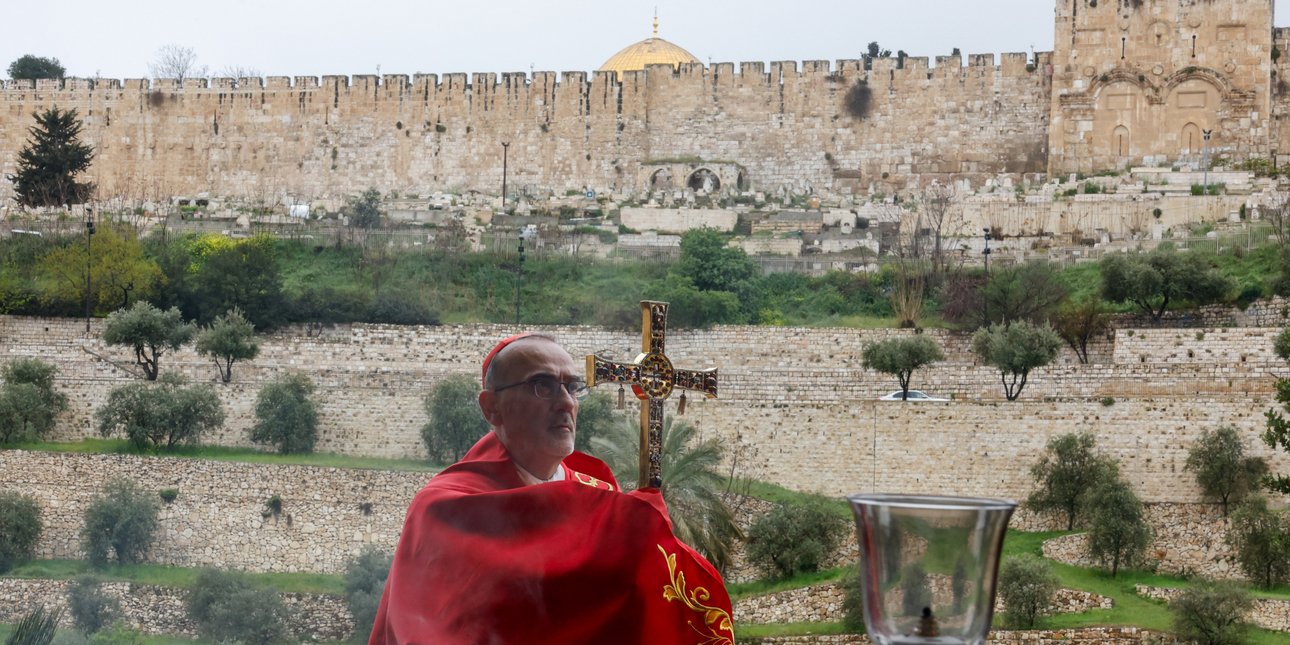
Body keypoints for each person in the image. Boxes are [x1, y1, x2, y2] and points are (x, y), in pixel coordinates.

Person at [369, 333, 734, 644]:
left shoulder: (600, 491)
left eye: (572, 387)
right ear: (492, 408)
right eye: (542, 386)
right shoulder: (445, 508)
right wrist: (633, 528)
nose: (566, 403)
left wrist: (647, 542)